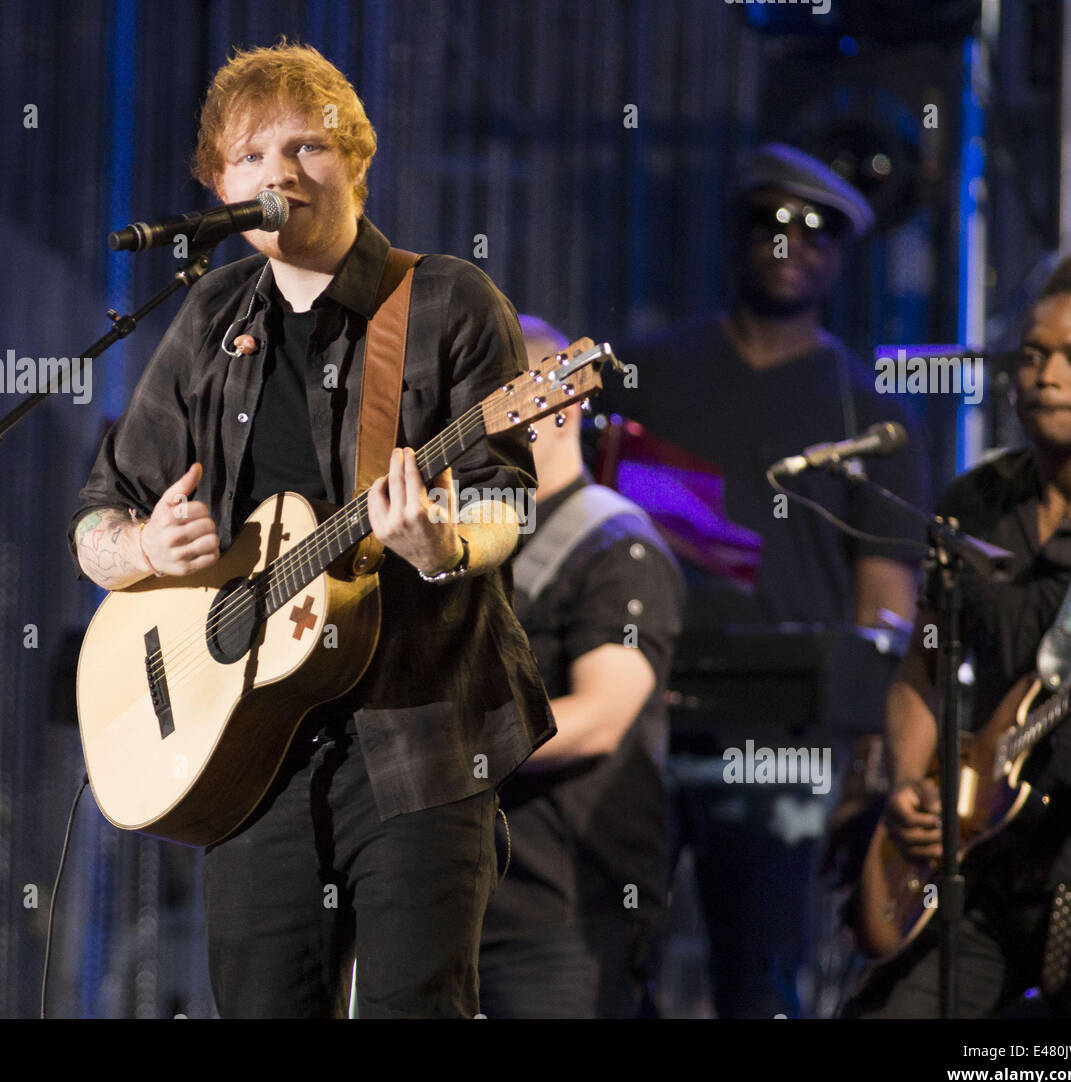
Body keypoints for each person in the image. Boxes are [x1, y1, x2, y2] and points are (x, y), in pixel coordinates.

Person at [68, 42, 553, 1018]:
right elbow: (94, 522)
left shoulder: (448, 300)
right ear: (219, 185)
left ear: (356, 163)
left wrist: (443, 544)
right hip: (248, 749)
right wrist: (143, 551)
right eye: (250, 158)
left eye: (305, 147)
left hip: (417, 738)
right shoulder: (208, 315)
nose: (279, 174)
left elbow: (506, 499)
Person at [602, 143, 931, 1017]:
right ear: (736, 235)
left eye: (815, 226)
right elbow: (590, 543)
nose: (791, 240)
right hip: (637, 713)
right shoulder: (647, 374)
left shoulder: (870, 411)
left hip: (783, 739)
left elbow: (886, 599)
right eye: (770, 221)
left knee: (761, 978)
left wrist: (870, 748)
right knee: (599, 961)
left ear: (841, 254)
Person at [847, 256, 1071, 1017]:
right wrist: (910, 787)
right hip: (980, 865)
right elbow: (924, 668)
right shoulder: (969, 503)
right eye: (1033, 356)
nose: (1047, 374)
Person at [477, 316, 684, 1018]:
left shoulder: (614, 542)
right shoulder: (466, 539)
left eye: (492, 399)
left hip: (561, 917)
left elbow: (600, 717)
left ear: (559, 407)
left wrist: (454, 750)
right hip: (462, 906)